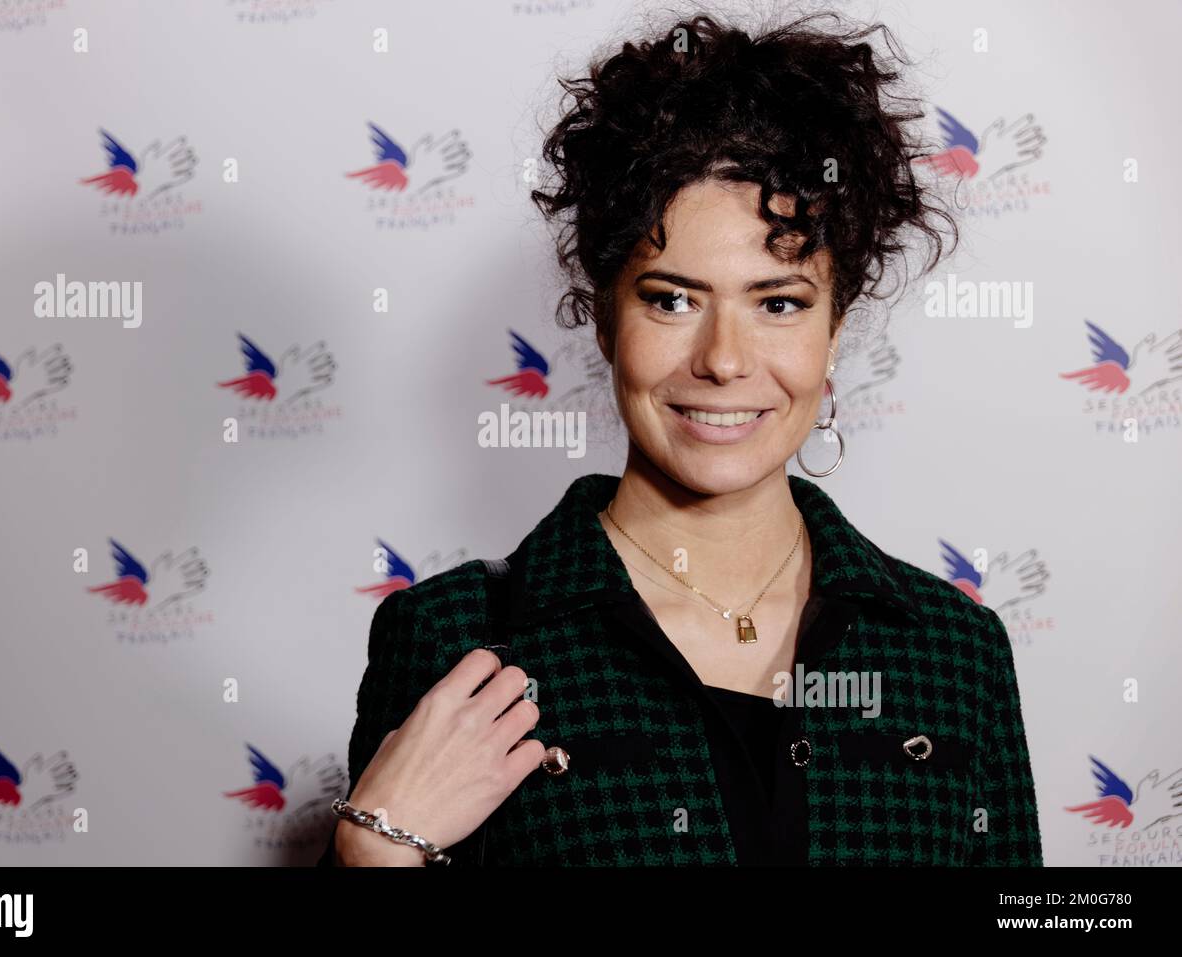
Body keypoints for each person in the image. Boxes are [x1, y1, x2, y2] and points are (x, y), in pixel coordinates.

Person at [321, 10, 1042, 867]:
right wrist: (375, 848)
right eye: (671, 299)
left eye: (779, 302)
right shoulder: (457, 637)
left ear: (835, 330)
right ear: (603, 319)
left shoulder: (954, 651)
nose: (725, 360)